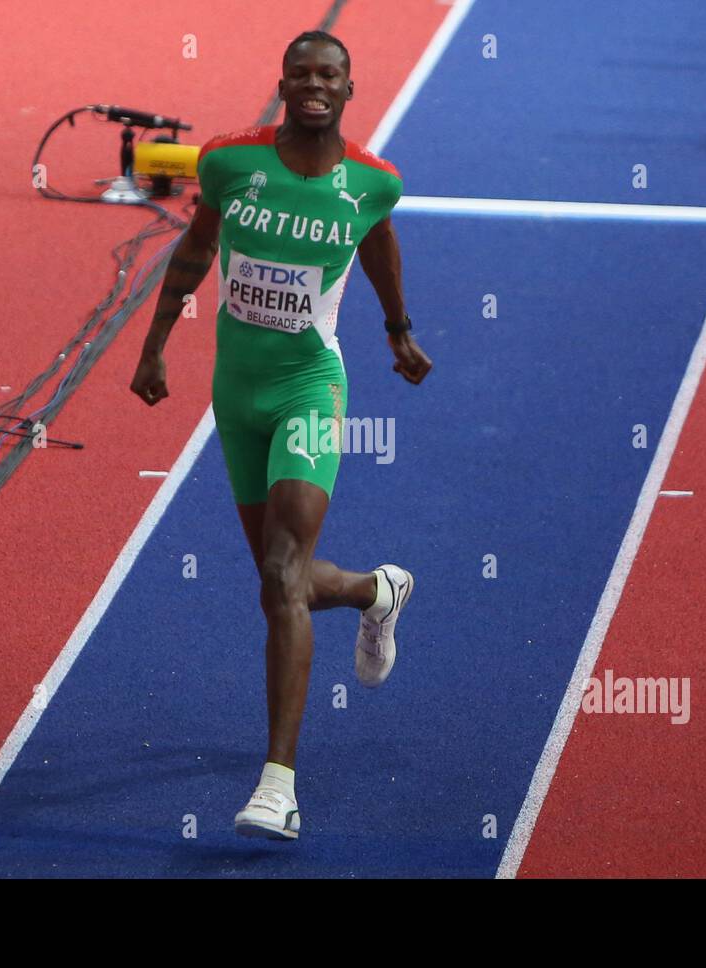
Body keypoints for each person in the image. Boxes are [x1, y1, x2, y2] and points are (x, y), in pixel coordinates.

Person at [129, 30, 432, 840]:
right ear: (283, 82)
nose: (313, 85)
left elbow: (378, 241)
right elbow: (196, 249)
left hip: (310, 388)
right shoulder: (229, 163)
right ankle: (377, 590)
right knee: (279, 586)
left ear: (348, 88)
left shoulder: (373, 181)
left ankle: (278, 784)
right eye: (300, 73)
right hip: (237, 396)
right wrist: (155, 346)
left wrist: (398, 330)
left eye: (327, 74)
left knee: (282, 568)